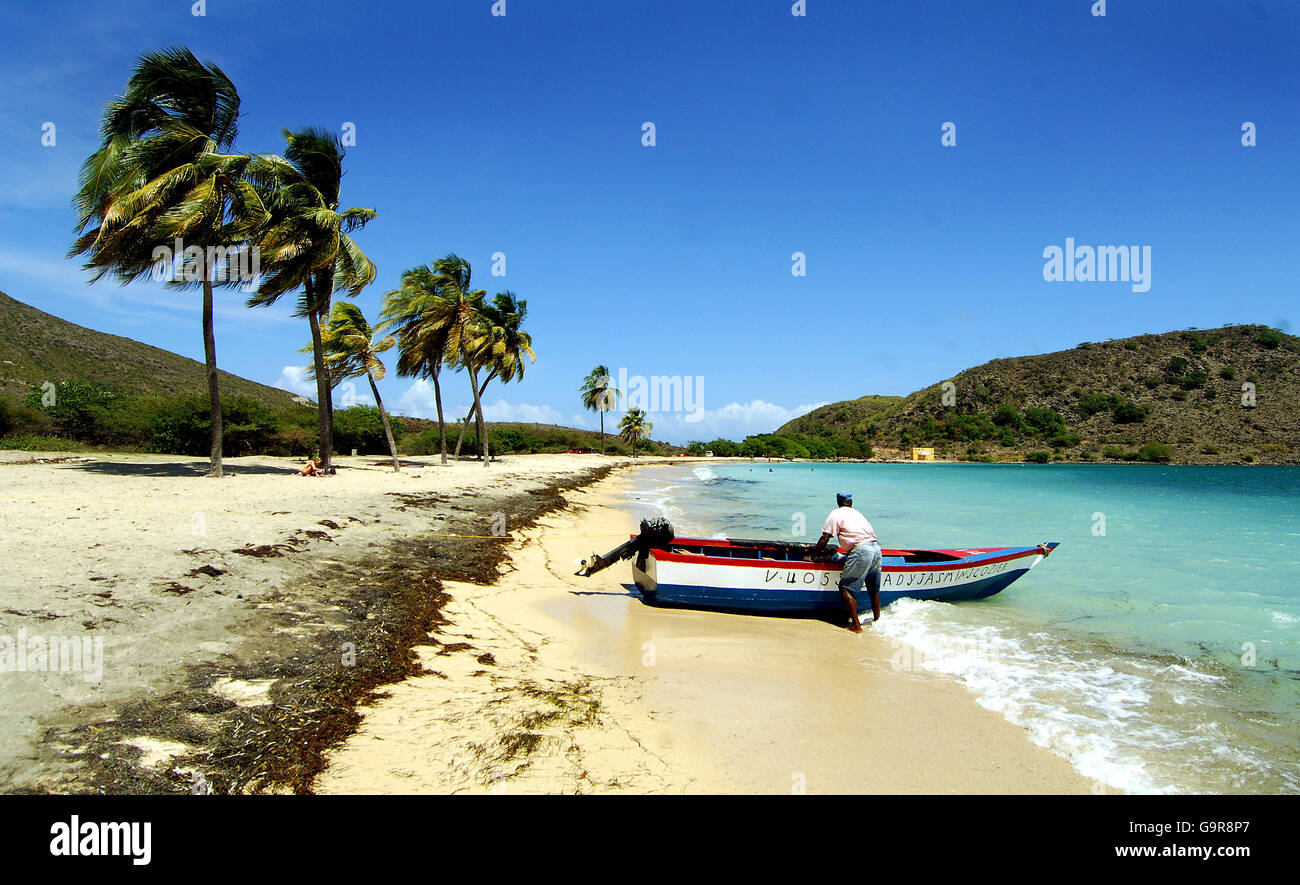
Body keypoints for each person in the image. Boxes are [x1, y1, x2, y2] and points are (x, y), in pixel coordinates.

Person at [809, 491, 882, 633]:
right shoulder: (858, 514)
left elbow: (825, 538)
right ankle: (877, 621)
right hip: (876, 548)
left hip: (861, 550)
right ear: (851, 502)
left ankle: (856, 625)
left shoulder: (836, 514)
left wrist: (813, 557)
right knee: (873, 589)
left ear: (838, 501)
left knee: (845, 588)